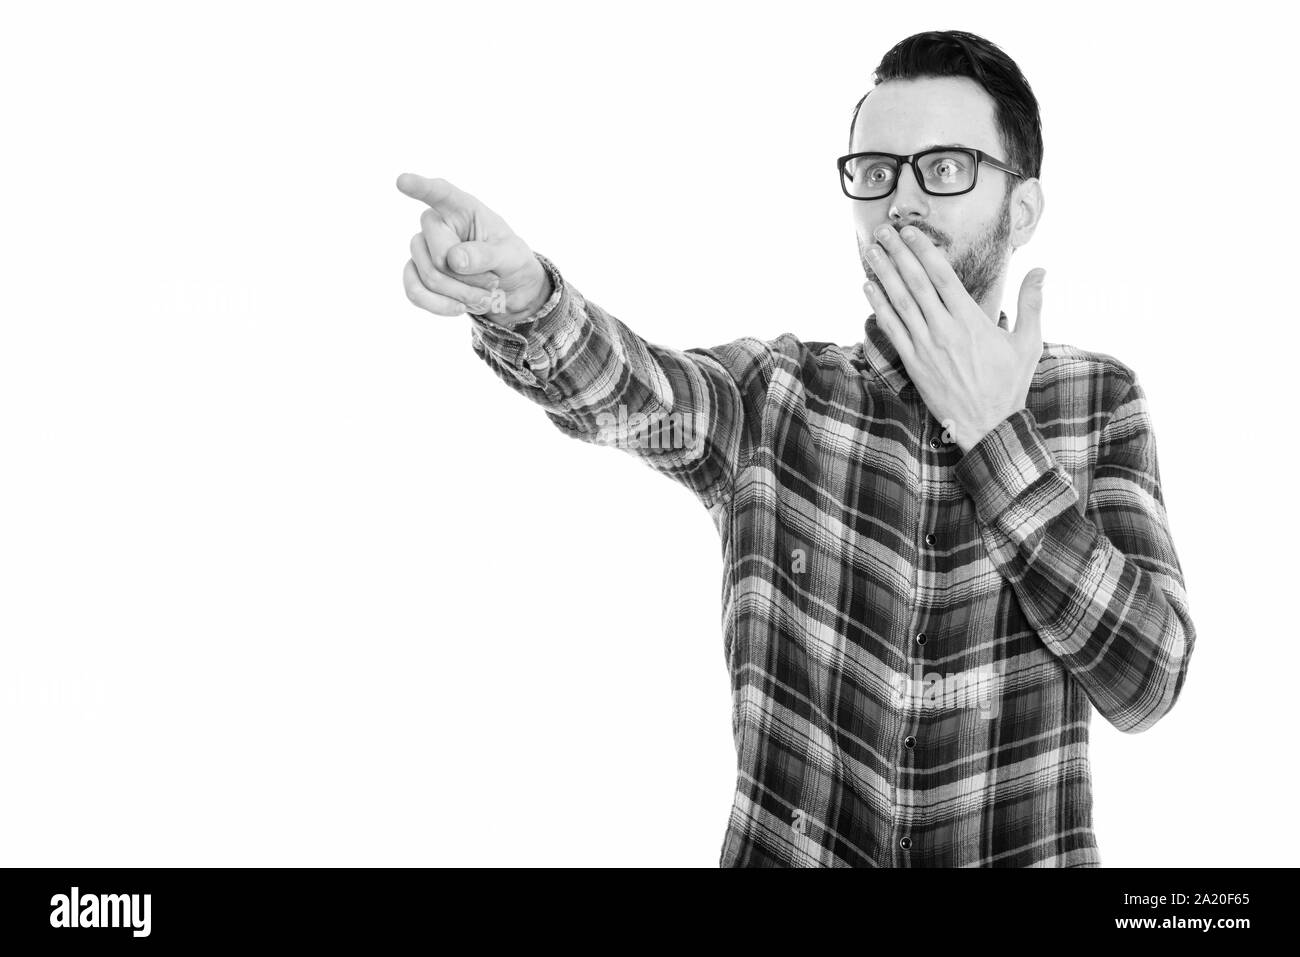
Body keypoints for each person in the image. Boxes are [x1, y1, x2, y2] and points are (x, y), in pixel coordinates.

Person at [396, 29, 1196, 867]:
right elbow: (632, 391)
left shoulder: (1097, 401)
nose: (904, 201)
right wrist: (526, 303)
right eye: (878, 171)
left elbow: (1148, 682)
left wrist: (998, 437)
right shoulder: (772, 395)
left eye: (946, 167)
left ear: (1021, 208)